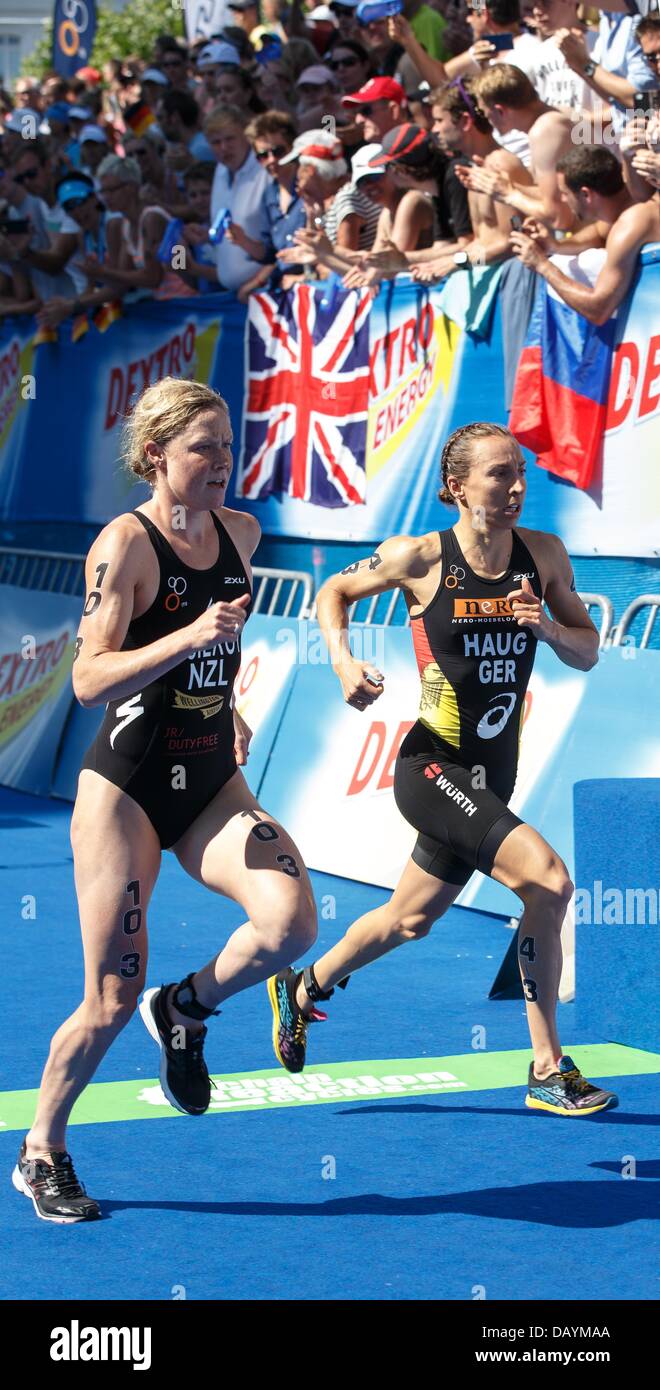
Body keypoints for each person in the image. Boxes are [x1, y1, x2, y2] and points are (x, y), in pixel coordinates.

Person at [12, 377, 318, 1223]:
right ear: (155, 456)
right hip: (129, 791)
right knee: (109, 995)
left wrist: (234, 705)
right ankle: (42, 1150)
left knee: (290, 924)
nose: (223, 462)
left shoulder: (242, 534)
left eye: (227, 445)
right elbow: (85, 680)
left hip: (212, 777)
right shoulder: (127, 544)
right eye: (204, 449)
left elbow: (210, 663)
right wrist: (186, 636)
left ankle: (184, 1009)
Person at [267, 420, 619, 1118]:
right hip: (432, 770)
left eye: (520, 471)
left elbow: (588, 650)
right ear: (458, 487)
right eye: (499, 474)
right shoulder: (419, 557)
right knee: (549, 886)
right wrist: (342, 660)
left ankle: (303, 989)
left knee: (408, 920)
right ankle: (547, 1068)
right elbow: (332, 593)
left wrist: (544, 627)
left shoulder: (543, 556)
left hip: (492, 778)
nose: (518, 486)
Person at [510, 142, 660, 322]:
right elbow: (598, 234)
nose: (563, 200)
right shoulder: (624, 209)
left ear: (586, 194)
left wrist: (542, 265)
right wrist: (554, 245)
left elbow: (599, 309)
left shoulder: (630, 224)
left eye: (565, 193)